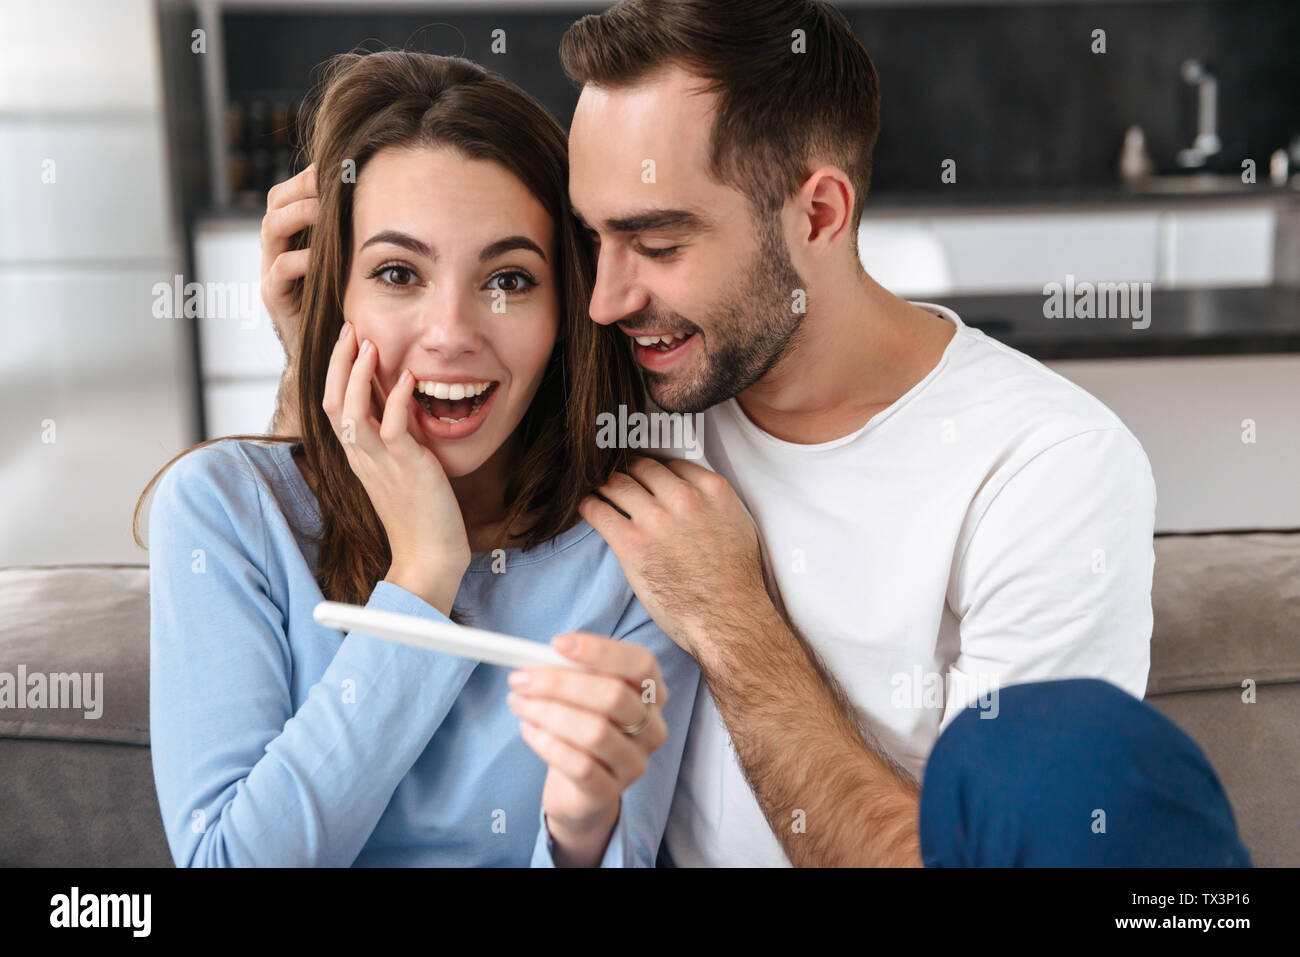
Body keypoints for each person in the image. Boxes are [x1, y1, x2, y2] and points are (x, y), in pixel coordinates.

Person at [262, 3, 1249, 868]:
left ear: (817, 212)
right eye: (590, 240)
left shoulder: (1043, 468)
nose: (605, 298)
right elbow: (389, 495)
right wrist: (310, 356)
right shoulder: (627, 388)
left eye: (657, 243)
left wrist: (735, 623)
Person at [136, 50, 698, 867]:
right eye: (398, 272)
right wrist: (426, 569)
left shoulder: (643, 545)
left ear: (565, 311)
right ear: (336, 296)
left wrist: (581, 827)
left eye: (508, 279)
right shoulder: (225, 511)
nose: (452, 332)